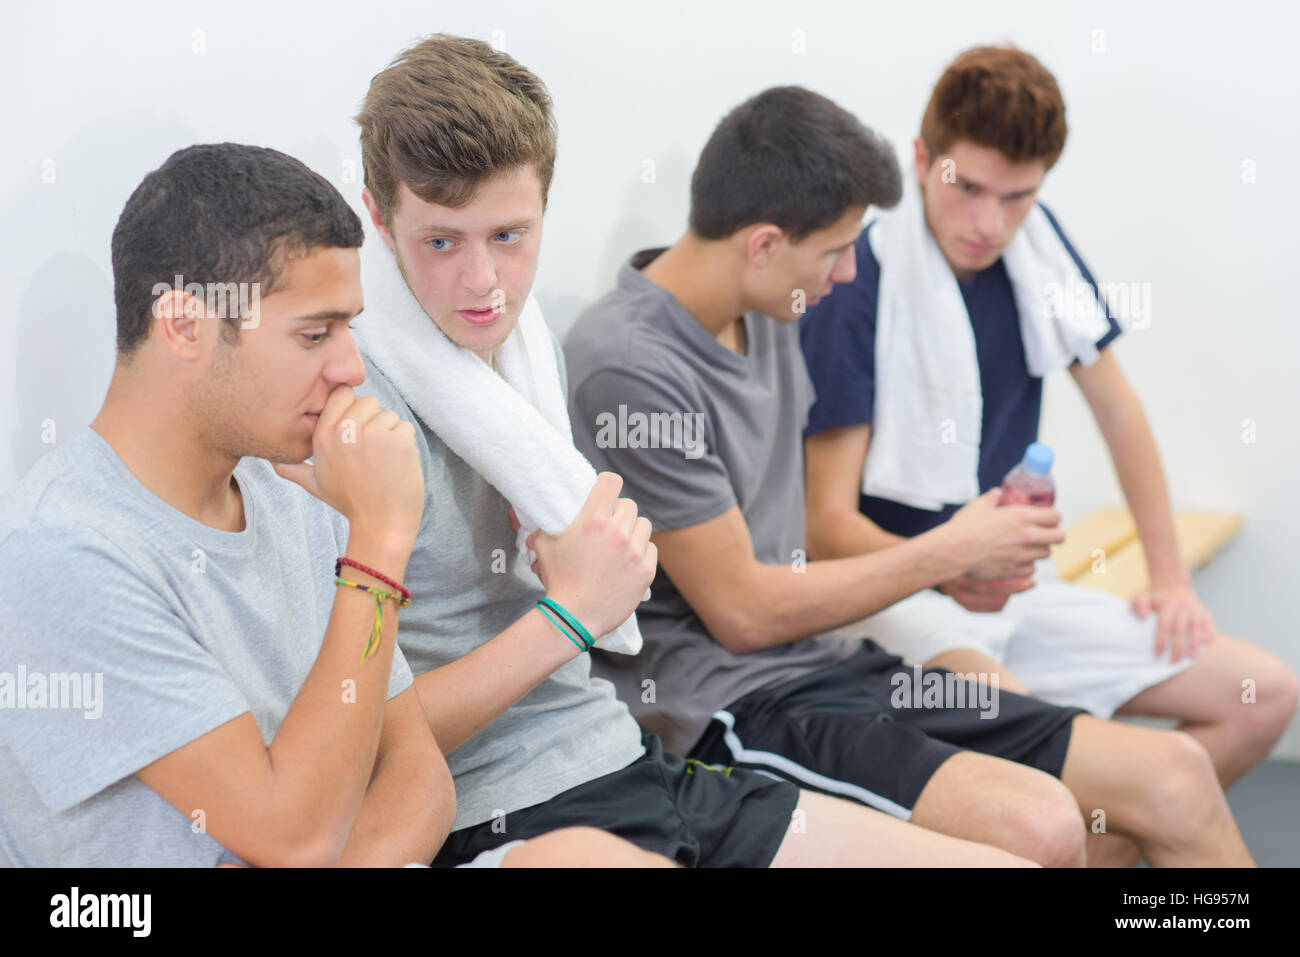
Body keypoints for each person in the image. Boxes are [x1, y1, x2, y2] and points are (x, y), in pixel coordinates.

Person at [349, 33, 1038, 868]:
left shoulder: (525, 358)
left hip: (624, 762)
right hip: (504, 809)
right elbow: (361, 737)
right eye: (441, 242)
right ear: (379, 220)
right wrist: (570, 614)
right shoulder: (350, 419)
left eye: (508, 235)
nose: (483, 282)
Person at [565, 84, 1255, 866]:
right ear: (762, 245)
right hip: (729, 700)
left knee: (1176, 777)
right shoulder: (628, 362)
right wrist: (953, 552)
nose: (853, 271)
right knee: (1047, 825)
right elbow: (744, 613)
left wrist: (965, 567)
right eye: (836, 250)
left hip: (829, 659)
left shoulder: (770, 309)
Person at [797, 46, 1297, 864]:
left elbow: (1118, 409)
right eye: (967, 188)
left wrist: (1169, 578)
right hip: (897, 599)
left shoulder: (1035, 251)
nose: (989, 222)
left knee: (1265, 694)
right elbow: (826, 526)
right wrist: (951, 561)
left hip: (1016, 585)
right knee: (1051, 780)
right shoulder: (857, 284)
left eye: (1018, 197)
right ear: (922, 161)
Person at [0, 142, 449, 867]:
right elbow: (294, 837)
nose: (351, 368)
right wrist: (379, 540)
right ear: (183, 325)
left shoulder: (294, 489)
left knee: (587, 858)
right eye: (314, 334)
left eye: (348, 328)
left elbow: (420, 777)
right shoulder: (63, 549)